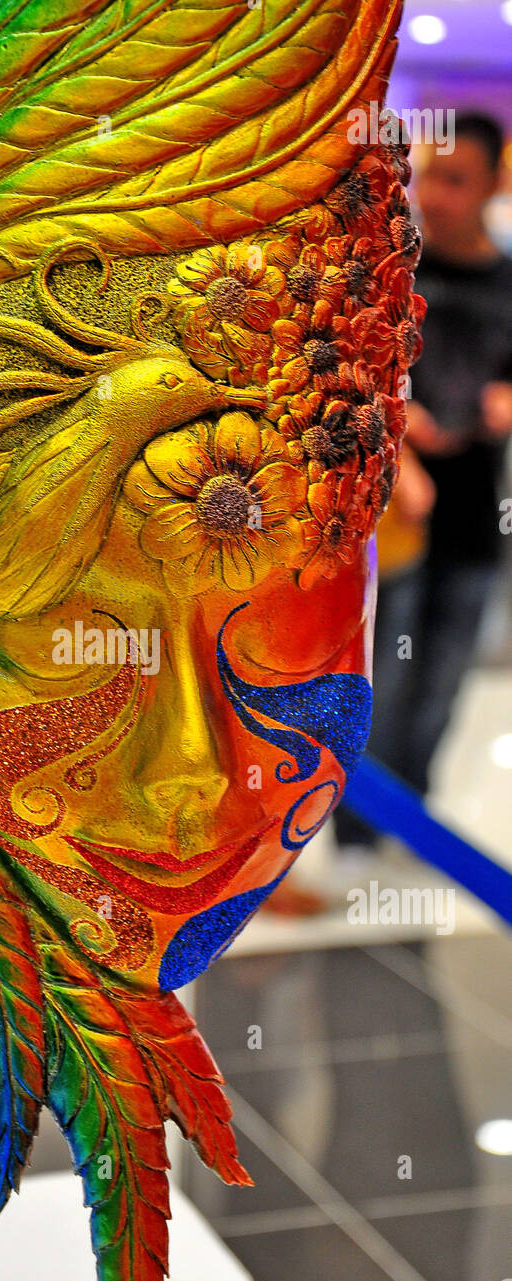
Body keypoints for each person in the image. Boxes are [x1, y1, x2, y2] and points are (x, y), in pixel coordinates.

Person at [334, 111, 512, 858]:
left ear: (494, 184)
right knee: (383, 679)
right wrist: (400, 446)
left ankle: (412, 827)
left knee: (440, 683)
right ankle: (354, 838)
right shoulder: (389, 272)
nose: (436, 196)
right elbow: (347, 378)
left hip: (474, 513)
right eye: (432, 177)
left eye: (457, 180)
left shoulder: (506, 281)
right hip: (392, 516)